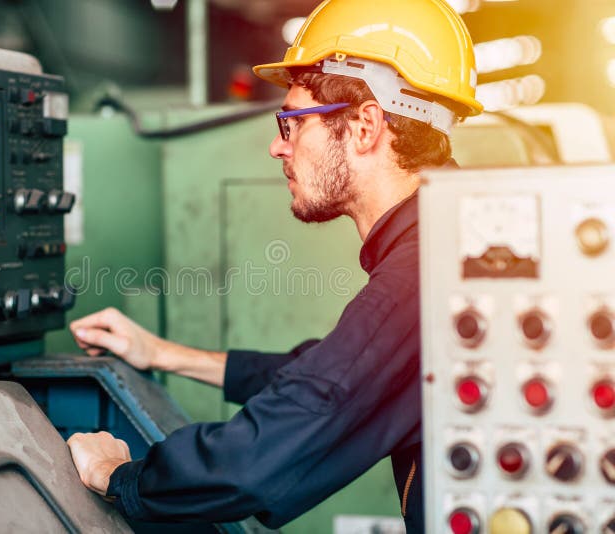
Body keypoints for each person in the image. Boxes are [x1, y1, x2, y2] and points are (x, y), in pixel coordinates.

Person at [66, 0, 482, 531]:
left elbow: (257, 458)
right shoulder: (455, 244)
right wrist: (164, 353)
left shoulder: (419, 275)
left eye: (290, 123)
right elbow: (325, 372)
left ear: (364, 125)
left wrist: (120, 474)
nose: (275, 147)